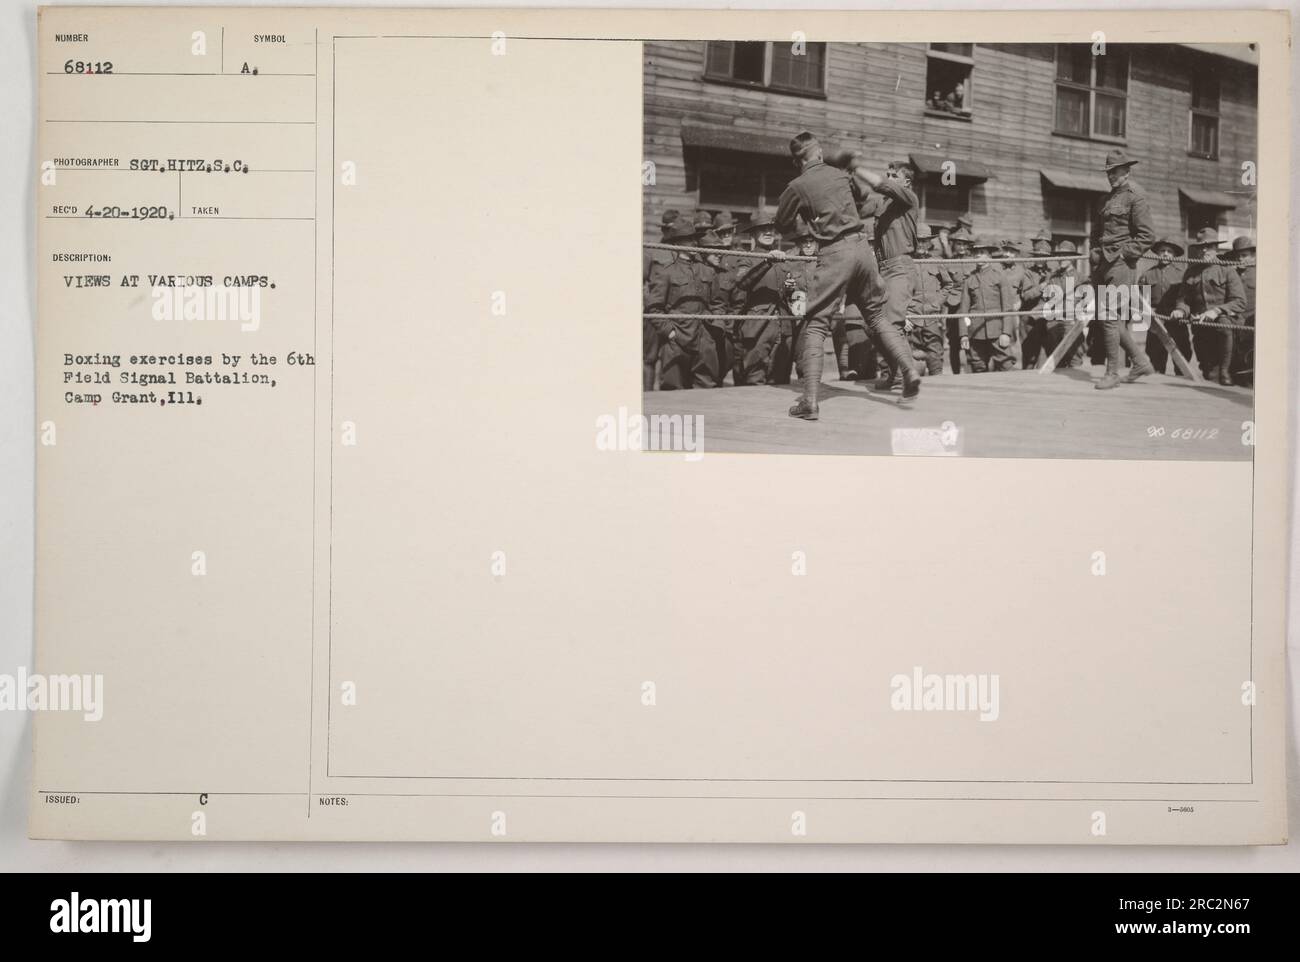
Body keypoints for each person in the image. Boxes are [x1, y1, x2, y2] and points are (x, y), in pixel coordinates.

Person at [772, 132, 920, 419]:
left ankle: (810, 402)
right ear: (819, 153)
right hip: (863, 248)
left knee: (815, 325)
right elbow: (864, 198)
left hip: (834, 252)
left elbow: (782, 224)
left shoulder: (797, 186)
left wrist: (812, 221)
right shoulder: (840, 174)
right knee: (877, 316)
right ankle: (909, 369)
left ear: (797, 160)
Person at [1089, 148, 1156, 389]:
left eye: (1115, 172)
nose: (1110, 176)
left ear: (1126, 171)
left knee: (1108, 316)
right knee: (1109, 317)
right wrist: (1094, 254)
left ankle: (1112, 373)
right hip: (1102, 264)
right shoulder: (1105, 199)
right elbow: (1096, 232)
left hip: (1121, 265)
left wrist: (1123, 254)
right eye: (1108, 172)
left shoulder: (1136, 196)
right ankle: (1140, 362)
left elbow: (1147, 236)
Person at [644, 215, 723, 389]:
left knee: (706, 389)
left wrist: (713, 327)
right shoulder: (666, 272)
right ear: (677, 244)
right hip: (676, 339)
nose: (694, 244)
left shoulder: (708, 271)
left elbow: (718, 303)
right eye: (688, 240)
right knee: (674, 392)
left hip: (704, 338)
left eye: (695, 239)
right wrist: (670, 332)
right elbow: (653, 309)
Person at [732, 212, 802, 385]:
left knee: (780, 381)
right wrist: (766, 262)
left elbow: (793, 295)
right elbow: (742, 282)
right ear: (753, 234)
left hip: (784, 329)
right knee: (754, 378)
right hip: (757, 327)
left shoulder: (784, 261)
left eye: (771, 228)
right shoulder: (748, 258)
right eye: (763, 229)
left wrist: (799, 304)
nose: (768, 232)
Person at [1172, 228, 1245, 385]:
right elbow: (1183, 299)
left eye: (1209, 246)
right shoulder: (1190, 273)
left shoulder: (1227, 270)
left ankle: (1225, 371)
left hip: (1225, 329)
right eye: (1201, 247)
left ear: (1216, 248)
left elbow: (1239, 301)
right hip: (1201, 329)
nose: (1204, 250)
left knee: (1223, 324)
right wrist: (1180, 310)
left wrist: (1217, 311)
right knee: (1209, 376)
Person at [958, 237, 1019, 372]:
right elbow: (963, 311)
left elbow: (1007, 308)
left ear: (989, 255)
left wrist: (1006, 333)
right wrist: (964, 334)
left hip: (996, 331)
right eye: (976, 252)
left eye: (983, 252)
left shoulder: (999, 277)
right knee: (977, 367)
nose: (979, 255)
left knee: (1006, 365)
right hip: (975, 332)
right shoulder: (969, 280)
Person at [1139, 237, 1189, 375]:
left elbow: (1187, 298)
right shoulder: (1147, 275)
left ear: (1174, 255)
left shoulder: (1182, 274)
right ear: (1157, 253)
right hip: (1156, 320)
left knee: (1182, 355)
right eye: (1162, 251)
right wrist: (1148, 313)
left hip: (1176, 320)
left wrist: (1180, 311)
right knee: (1155, 355)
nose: (1166, 254)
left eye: (1169, 251)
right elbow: (1141, 299)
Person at [907, 225, 952, 374]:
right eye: (918, 241)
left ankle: (936, 383)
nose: (921, 244)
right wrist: (903, 314)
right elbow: (896, 290)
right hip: (910, 316)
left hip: (931, 315)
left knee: (936, 354)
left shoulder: (936, 261)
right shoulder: (905, 262)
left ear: (929, 243)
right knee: (906, 356)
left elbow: (948, 284)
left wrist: (937, 302)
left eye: (924, 241)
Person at [642, 209, 679, 389]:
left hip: (675, 312)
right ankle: (648, 396)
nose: (671, 233)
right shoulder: (652, 252)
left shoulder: (682, 252)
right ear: (663, 230)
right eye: (668, 229)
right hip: (655, 311)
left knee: (671, 356)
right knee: (649, 357)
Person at [1039, 239, 1084, 369]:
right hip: (1054, 322)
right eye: (1060, 256)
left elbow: (1083, 301)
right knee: (1055, 360)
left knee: (1074, 359)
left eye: (1066, 256)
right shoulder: (1053, 277)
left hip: (1071, 321)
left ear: (1073, 258)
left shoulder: (1081, 278)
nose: (1062, 259)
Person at [998, 239, 1042, 368]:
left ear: (1016, 254)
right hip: (994, 310)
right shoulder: (995, 268)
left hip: (1010, 312)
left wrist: (1020, 302)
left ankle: (1006, 368)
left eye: (1012, 252)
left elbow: (1026, 292)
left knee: (1009, 342)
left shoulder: (1021, 271)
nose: (1008, 254)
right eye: (1006, 251)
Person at [945, 227, 975, 373]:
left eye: (964, 244)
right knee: (954, 343)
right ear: (954, 245)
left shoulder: (974, 263)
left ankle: (970, 373)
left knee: (970, 340)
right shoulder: (948, 263)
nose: (962, 247)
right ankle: (955, 373)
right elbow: (945, 285)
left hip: (970, 307)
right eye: (959, 244)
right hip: (954, 306)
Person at [1229, 235, 1255, 386]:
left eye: (1244, 256)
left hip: (1252, 318)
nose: (1240, 260)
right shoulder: (1231, 273)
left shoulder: (1261, 272)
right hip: (1235, 318)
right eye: (1238, 256)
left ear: (1253, 256)